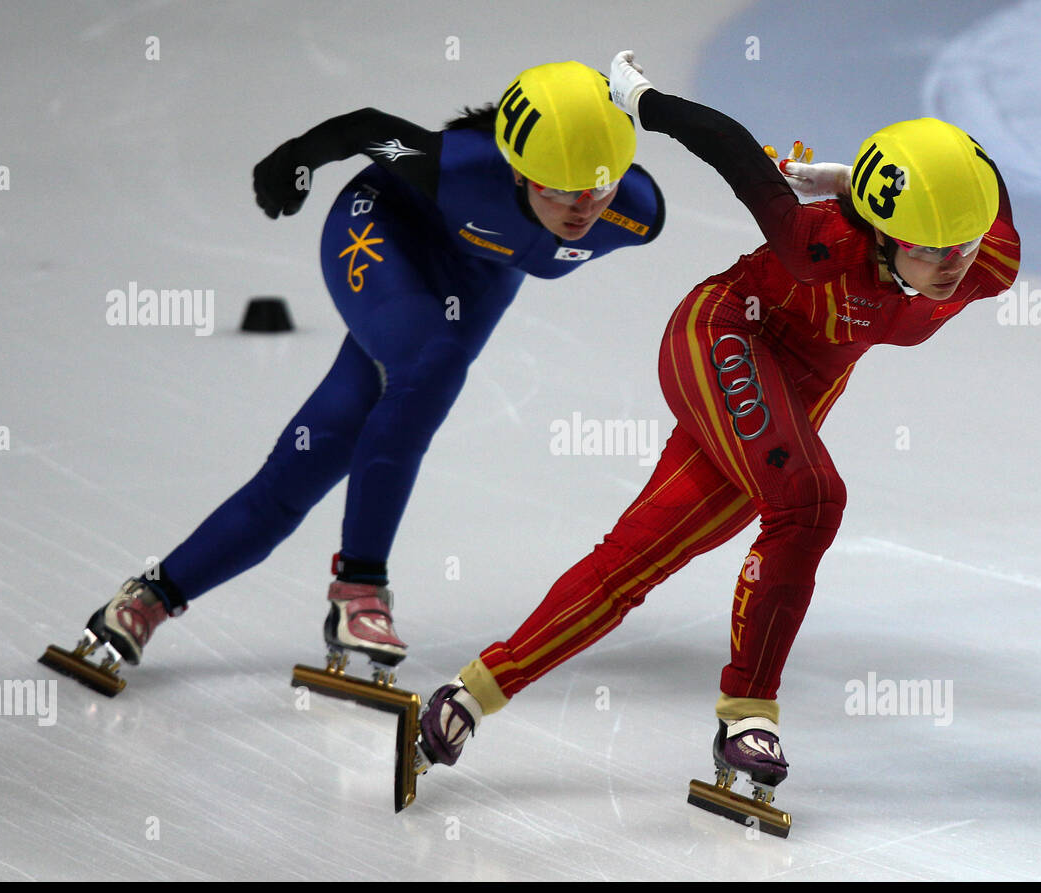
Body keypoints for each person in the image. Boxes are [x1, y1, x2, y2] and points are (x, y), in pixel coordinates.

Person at [414, 52, 1021, 805]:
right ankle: (748, 714)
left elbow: (978, 167)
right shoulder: (819, 244)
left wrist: (842, 174)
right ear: (884, 233)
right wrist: (644, 99)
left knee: (637, 557)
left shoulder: (989, 256)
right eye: (930, 248)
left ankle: (470, 694)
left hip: (790, 397)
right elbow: (735, 154)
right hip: (725, 336)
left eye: (959, 244)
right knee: (811, 496)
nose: (951, 265)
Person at [76, 61, 665, 676]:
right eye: (560, 188)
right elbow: (365, 130)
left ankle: (151, 594)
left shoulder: (636, 212)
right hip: (381, 230)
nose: (583, 208)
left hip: (475, 281)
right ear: (517, 169)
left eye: (598, 188)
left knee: (322, 450)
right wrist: (296, 160)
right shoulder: (456, 166)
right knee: (431, 366)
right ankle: (359, 588)